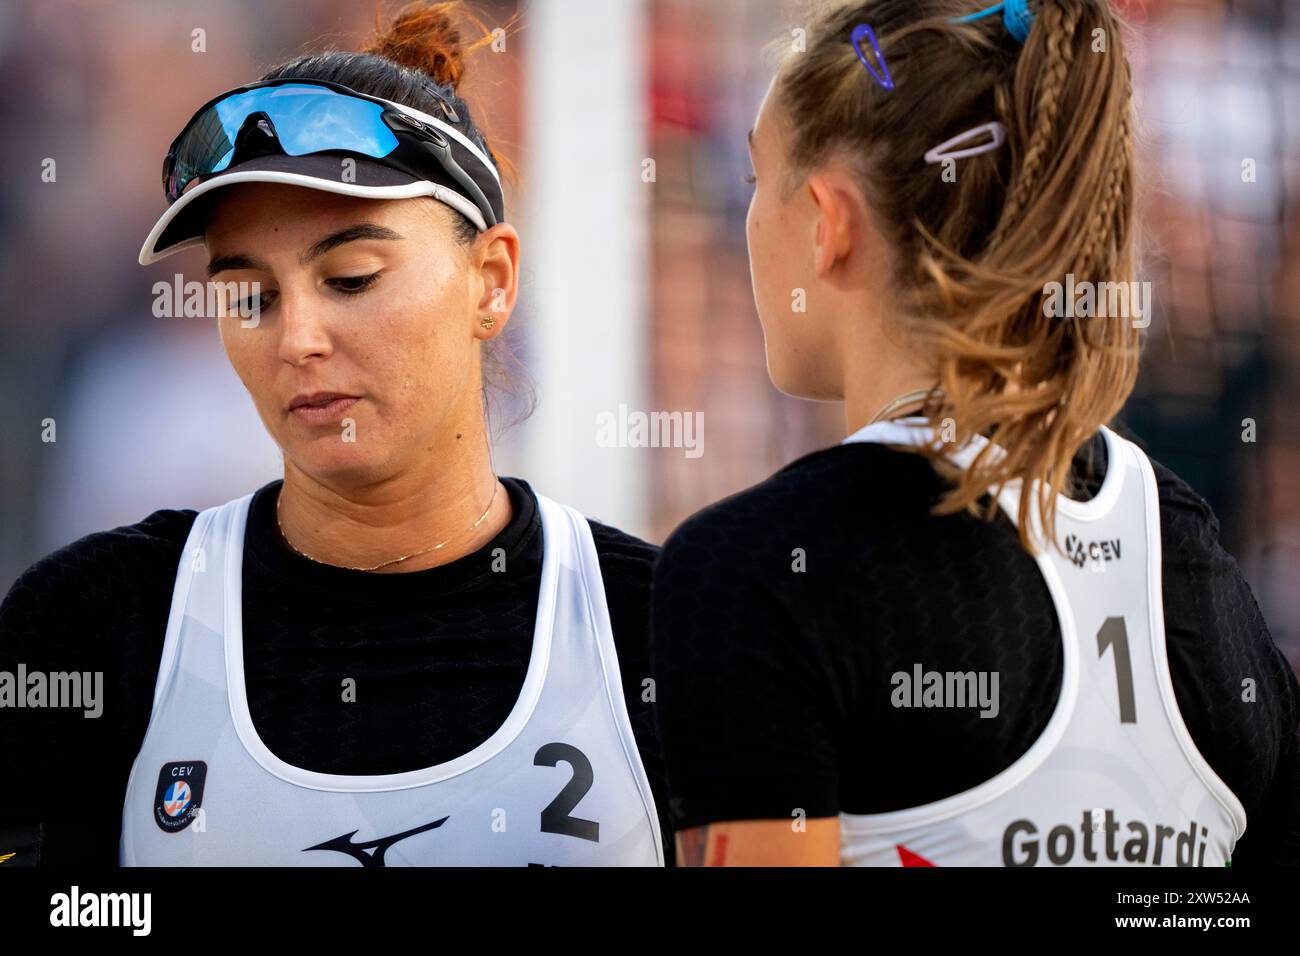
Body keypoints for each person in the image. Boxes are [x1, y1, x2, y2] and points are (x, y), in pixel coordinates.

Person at [0, 0, 669, 867]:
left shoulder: (661, 630)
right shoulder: (92, 622)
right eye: (251, 295)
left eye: (350, 278)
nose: (297, 338)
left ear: (493, 282)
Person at [651, 0, 1300, 866]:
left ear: (828, 221)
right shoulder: (1192, 557)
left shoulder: (753, 568)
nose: (748, 222)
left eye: (753, 181)